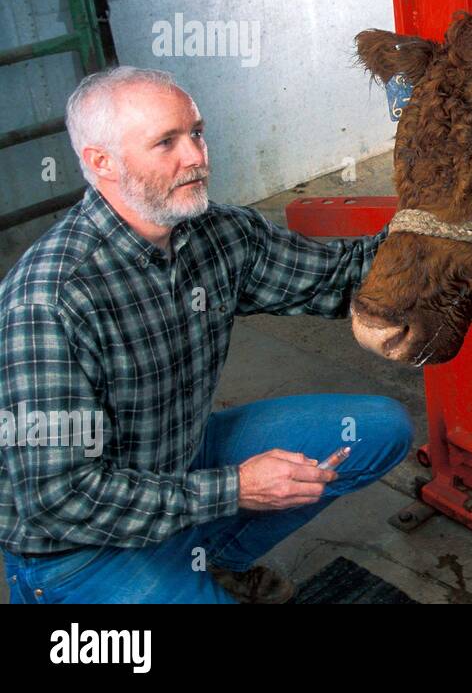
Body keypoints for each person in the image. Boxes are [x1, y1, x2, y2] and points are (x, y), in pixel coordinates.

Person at [0, 66, 411, 603]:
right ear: (102, 163)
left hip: (180, 461)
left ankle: (211, 560)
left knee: (380, 430)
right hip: (79, 547)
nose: (196, 156)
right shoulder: (50, 300)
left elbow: (344, 274)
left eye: (195, 132)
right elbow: (59, 499)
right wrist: (236, 488)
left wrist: (442, 223)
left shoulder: (214, 233)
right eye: (165, 142)